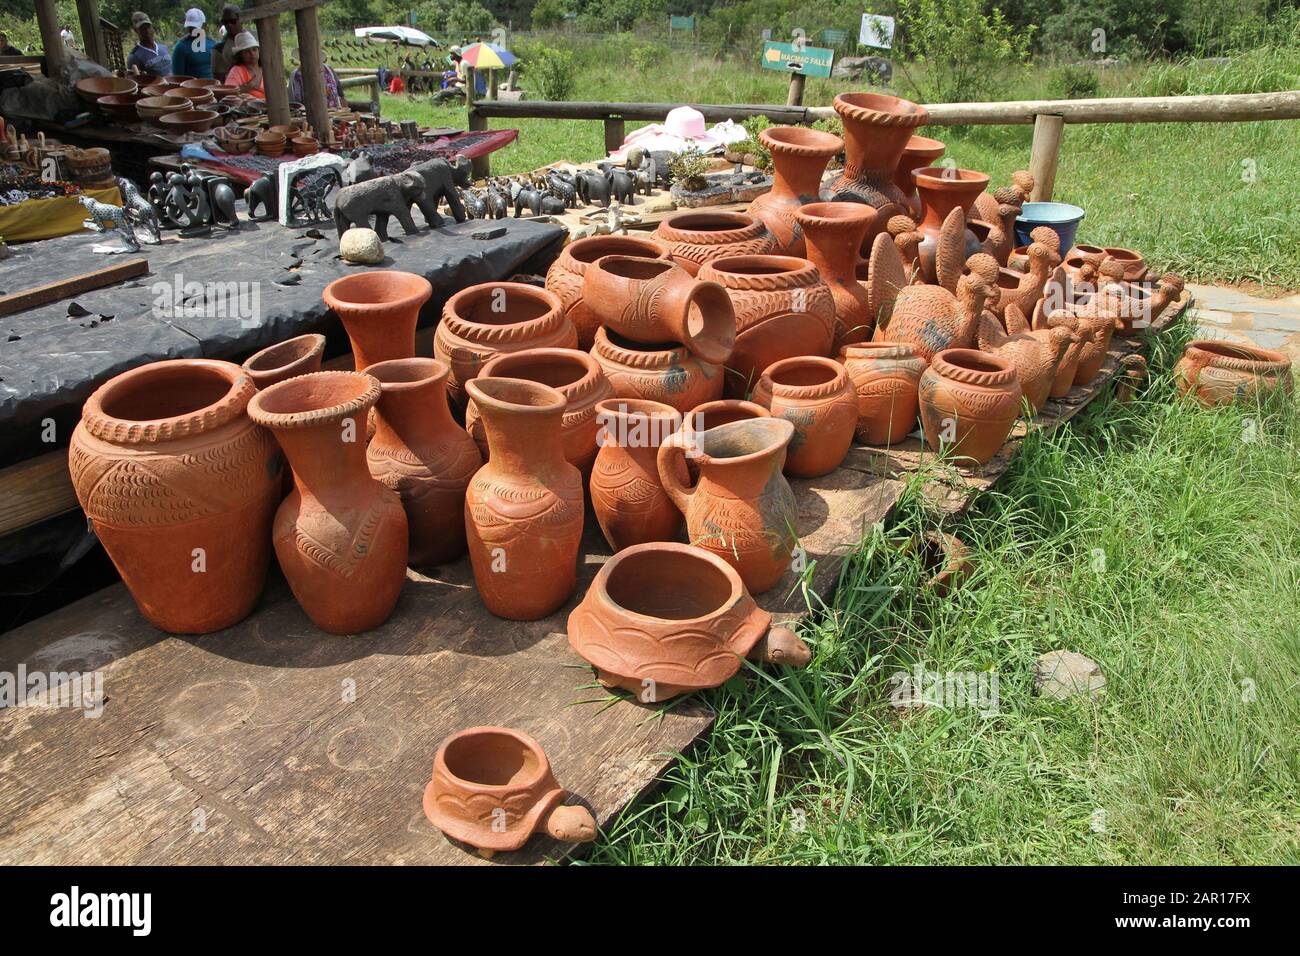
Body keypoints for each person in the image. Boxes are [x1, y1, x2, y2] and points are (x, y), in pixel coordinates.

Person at [171, 8, 216, 79]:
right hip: (192, 88)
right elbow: (177, 77)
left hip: (212, 86)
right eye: (191, 27)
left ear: (204, 25)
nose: (193, 29)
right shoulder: (181, 47)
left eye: (196, 27)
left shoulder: (212, 44)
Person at [126, 12, 172, 78]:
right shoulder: (134, 57)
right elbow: (135, 82)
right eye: (143, 29)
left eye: (148, 27)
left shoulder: (163, 47)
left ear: (152, 28)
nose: (147, 31)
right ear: (136, 30)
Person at [223, 31, 264, 99]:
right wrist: (249, 86)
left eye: (254, 49)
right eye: (247, 51)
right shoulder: (236, 70)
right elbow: (228, 93)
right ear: (240, 55)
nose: (252, 53)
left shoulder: (267, 68)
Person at [211, 4, 245, 80]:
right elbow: (220, 81)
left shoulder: (256, 40)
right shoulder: (219, 50)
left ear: (241, 19)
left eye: (233, 21)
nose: (229, 25)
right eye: (225, 22)